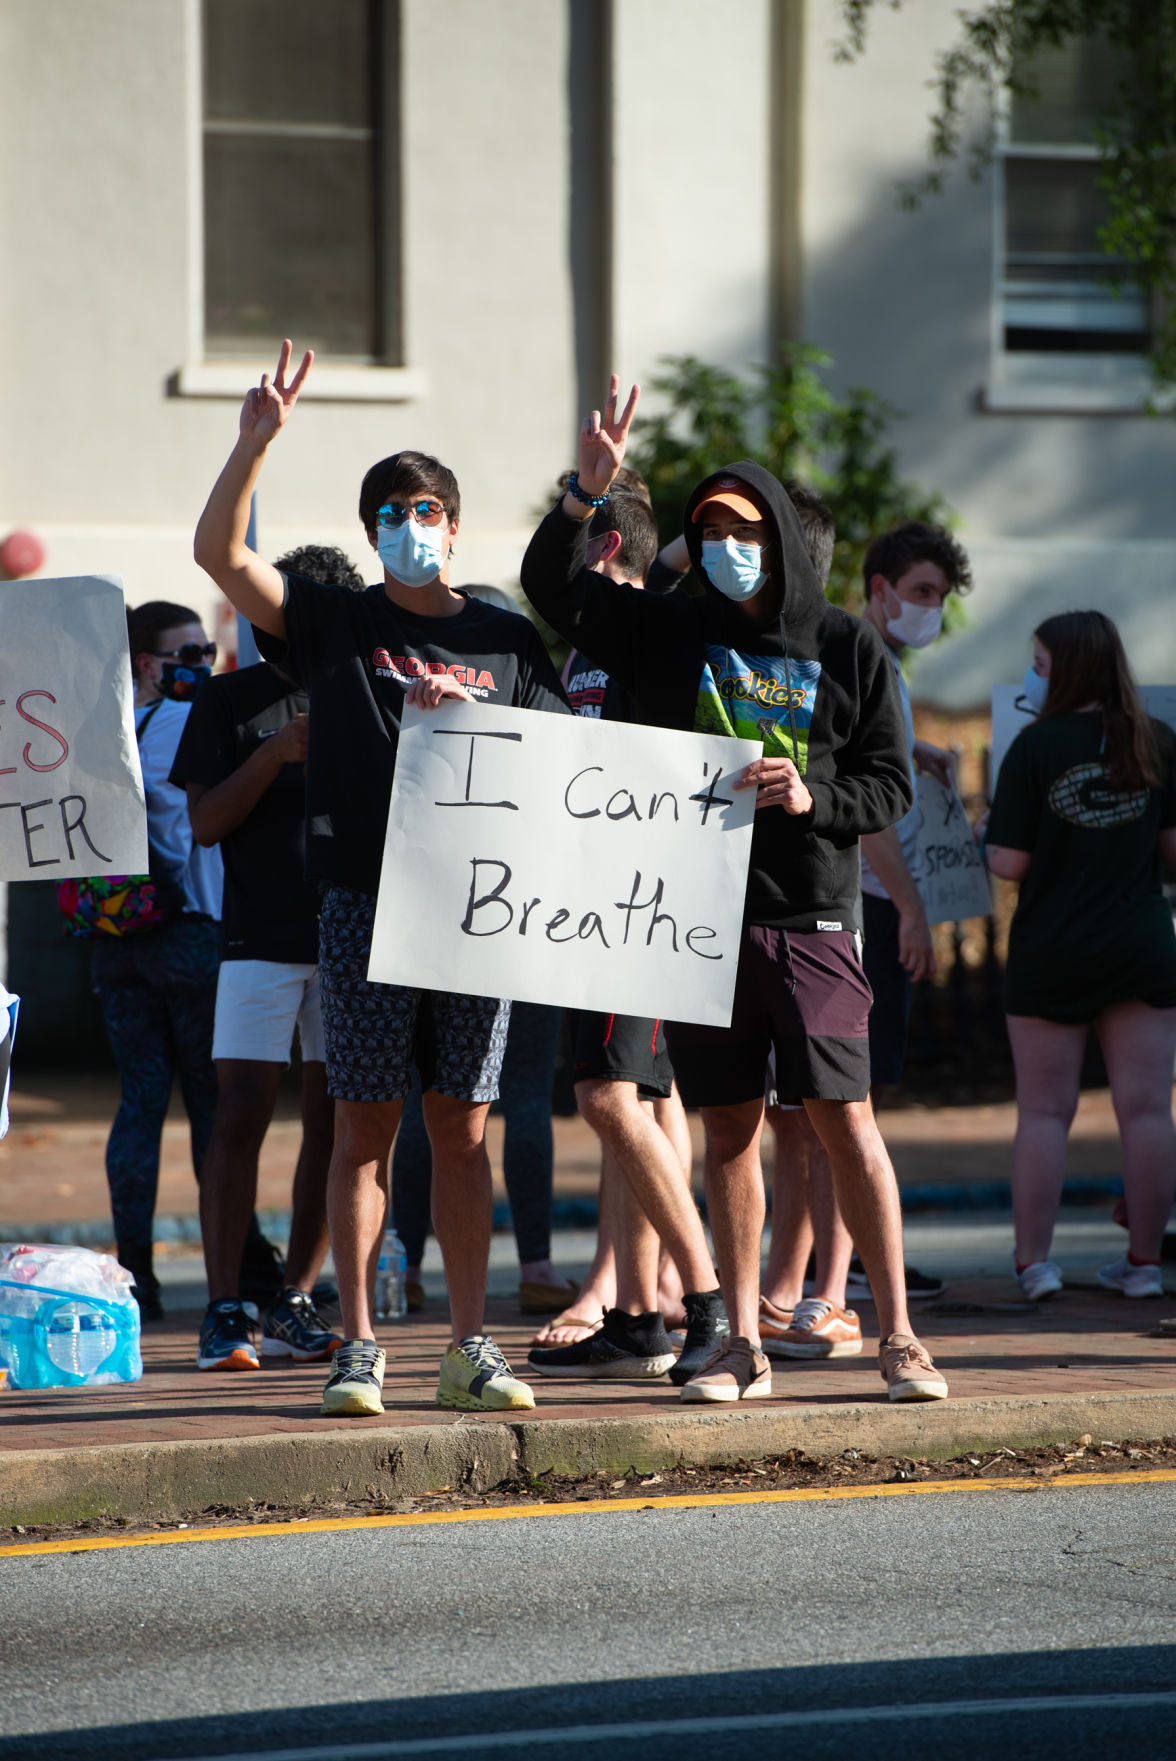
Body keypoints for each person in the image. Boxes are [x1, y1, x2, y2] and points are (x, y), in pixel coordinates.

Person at [521, 378, 949, 1404]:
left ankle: (898, 1340)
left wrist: (812, 793)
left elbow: (887, 783)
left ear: (782, 541)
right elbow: (551, 587)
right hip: (696, 918)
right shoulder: (669, 630)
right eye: (706, 528)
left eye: (741, 528)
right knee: (730, 1132)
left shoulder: (844, 644)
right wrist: (587, 494)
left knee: (845, 1119)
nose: (723, 544)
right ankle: (739, 1348)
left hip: (811, 919)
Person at [193, 341, 569, 1418]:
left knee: (462, 1130)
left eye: (429, 511)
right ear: (374, 535)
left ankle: (466, 1345)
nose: (413, 528)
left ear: (455, 526)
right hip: (361, 903)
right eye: (393, 514)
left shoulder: (505, 639)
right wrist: (252, 443)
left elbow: (565, 769)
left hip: (475, 916)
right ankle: (358, 1346)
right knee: (362, 1128)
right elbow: (221, 556)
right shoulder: (338, 622)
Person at [526, 491, 726, 1385]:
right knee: (635, 1102)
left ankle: (706, 1299)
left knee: (611, 1096)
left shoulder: (657, 628)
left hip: (644, 897)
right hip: (587, 899)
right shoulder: (586, 648)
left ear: (604, 549)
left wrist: (639, 517)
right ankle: (639, 1313)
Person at [171, 545, 365, 1372]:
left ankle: (295, 1294)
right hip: (257, 935)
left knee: (334, 1120)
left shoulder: (367, 692)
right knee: (237, 1111)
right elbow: (205, 822)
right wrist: (273, 754)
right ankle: (224, 1306)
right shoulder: (227, 699)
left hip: (350, 937)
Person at [985, 610, 1176, 1301]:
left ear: (1065, 669)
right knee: (1149, 1110)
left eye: (1040, 664)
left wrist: (987, 831)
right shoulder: (1155, 741)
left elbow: (1009, 862)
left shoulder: (1034, 748)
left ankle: (1034, 1264)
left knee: (1042, 1113)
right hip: (1141, 943)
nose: (1035, 676)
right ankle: (1145, 1265)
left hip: (1052, 946)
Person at [93, 603, 225, 1320]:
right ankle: (232, 1274)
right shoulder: (183, 722)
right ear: (148, 663)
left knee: (139, 1104)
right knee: (214, 1107)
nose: (204, 663)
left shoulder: (103, 736)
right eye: (191, 653)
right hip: (192, 935)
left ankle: (135, 1272)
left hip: (119, 943)